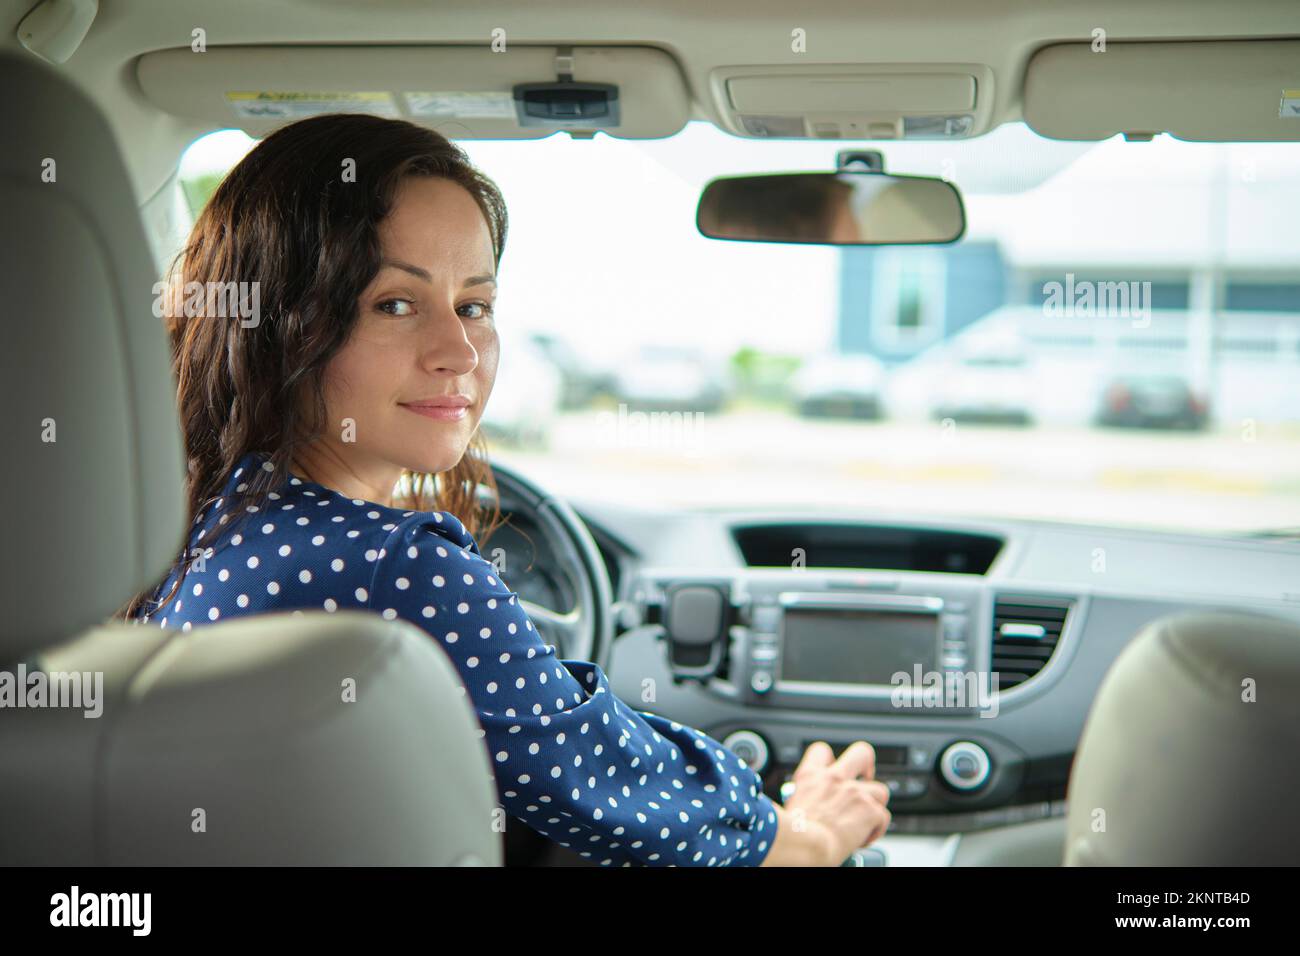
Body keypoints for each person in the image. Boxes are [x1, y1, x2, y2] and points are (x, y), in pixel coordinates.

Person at [124, 113, 891, 866]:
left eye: (475, 306)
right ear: (281, 322)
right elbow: (600, 783)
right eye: (396, 303)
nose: (458, 350)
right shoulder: (393, 567)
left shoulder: (203, 509)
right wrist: (810, 837)